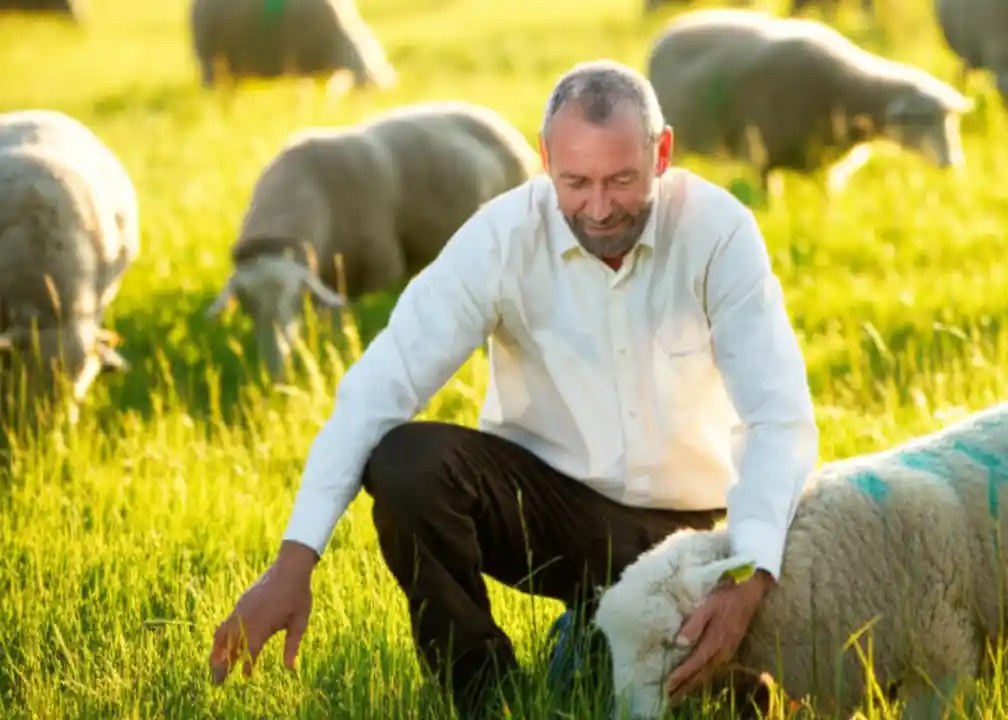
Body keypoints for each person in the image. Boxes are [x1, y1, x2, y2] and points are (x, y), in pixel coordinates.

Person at [207, 58, 819, 717]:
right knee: (407, 462)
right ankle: (485, 695)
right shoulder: (501, 237)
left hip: (693, 531)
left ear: (661, 151)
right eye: (575, 182)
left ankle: (592, 635)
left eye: (621, 180)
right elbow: (377, 388)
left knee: (741, 698)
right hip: (554, 516)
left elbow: (776, 416)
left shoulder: (718, 232)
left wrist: (749, 577)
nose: (599, 208)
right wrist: (294, 561)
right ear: (544, 156)